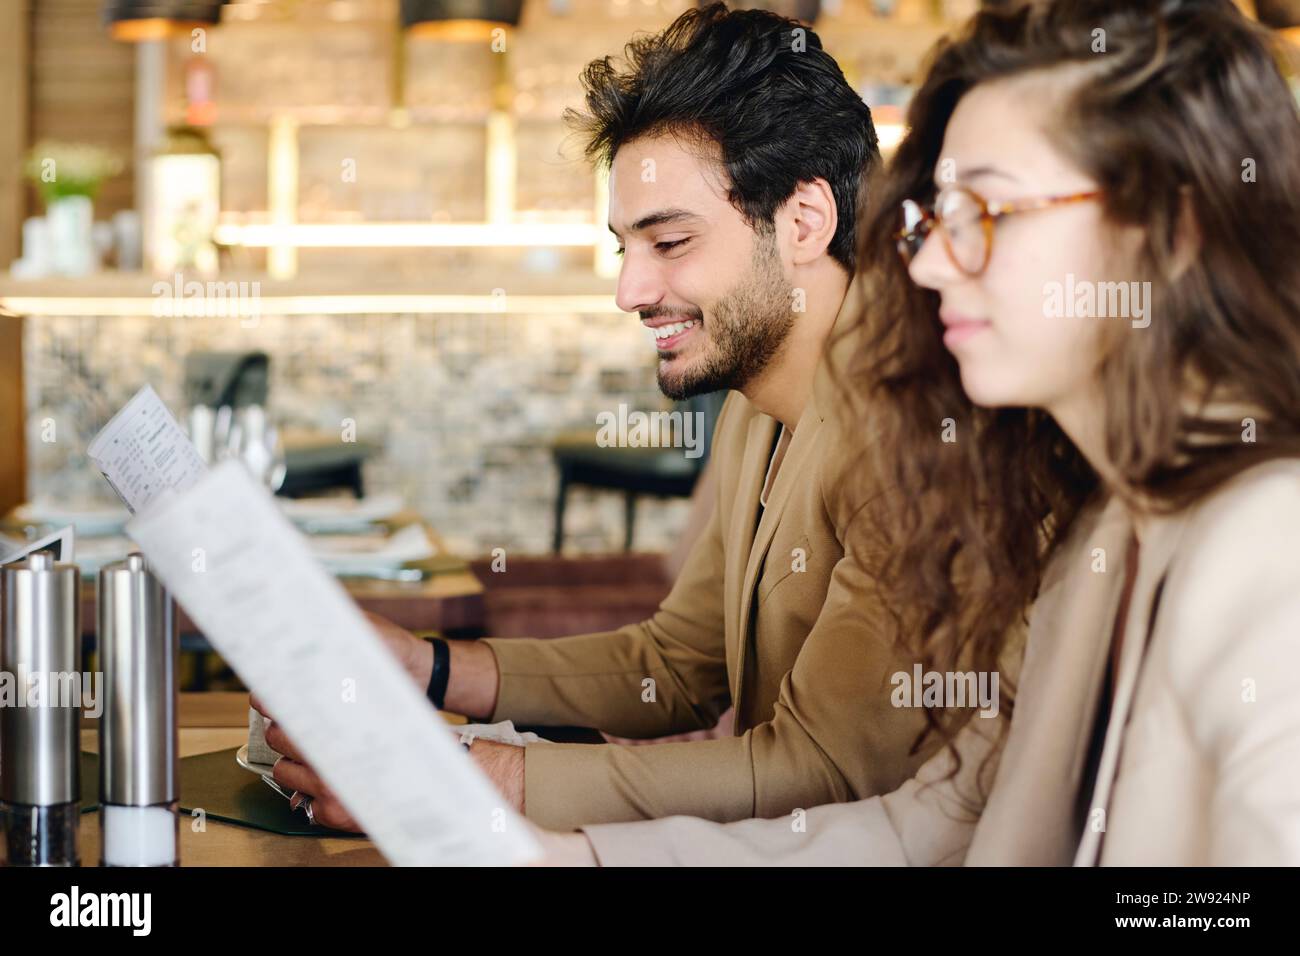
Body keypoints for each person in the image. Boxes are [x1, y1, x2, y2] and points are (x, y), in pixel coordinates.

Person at [533, 0, 1300, 864]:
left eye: (989, 214)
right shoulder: (1105, 531)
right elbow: (923, 823)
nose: (928, 261)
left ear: (1171, 229)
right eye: (938, 217)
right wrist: (563, 856)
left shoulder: (1270, 546)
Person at [258, 3, 939, 831]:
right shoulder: (757, 410)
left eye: (672, 243)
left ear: (803, 221)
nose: (631, 292)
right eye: (626, 247)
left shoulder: (919, 441)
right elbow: (679, 665)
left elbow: (826, 775)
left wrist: (479, 780)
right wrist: (427, 668)